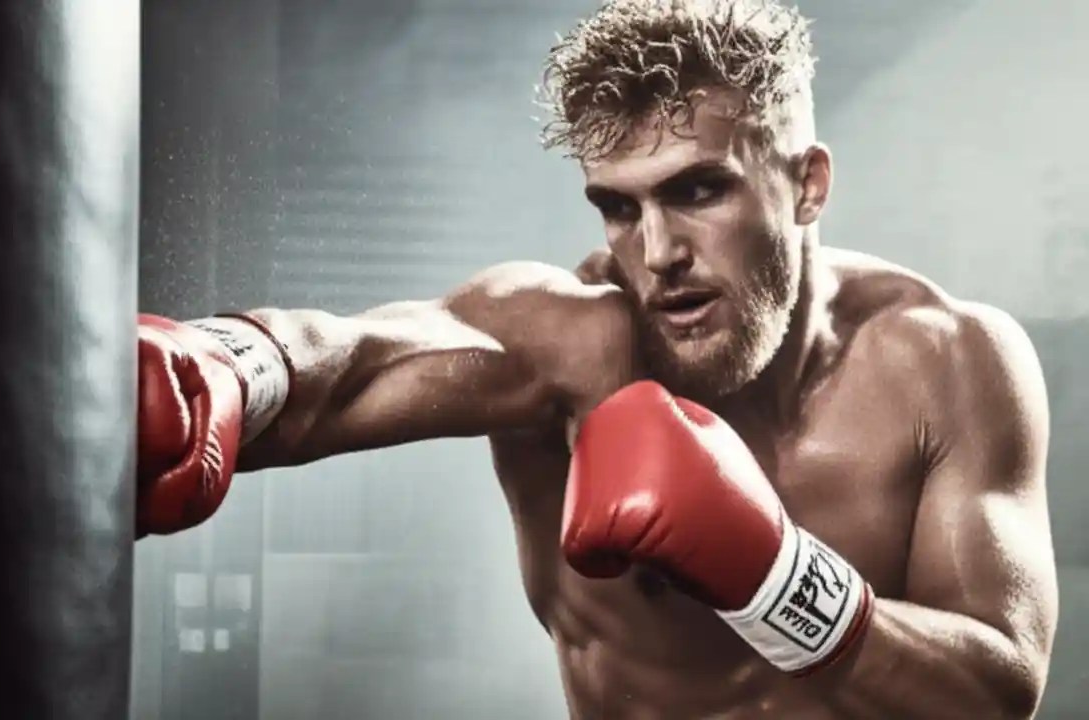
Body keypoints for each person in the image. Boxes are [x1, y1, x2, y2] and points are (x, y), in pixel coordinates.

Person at [136, 1, 1059, 716]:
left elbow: (998, 691)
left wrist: (775, 578)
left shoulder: (949, 361)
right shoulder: (578, 341)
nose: (658, 251)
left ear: (806, 184)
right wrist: (229, 369)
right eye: (619, 206)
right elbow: (360, 366)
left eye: (699, 189)